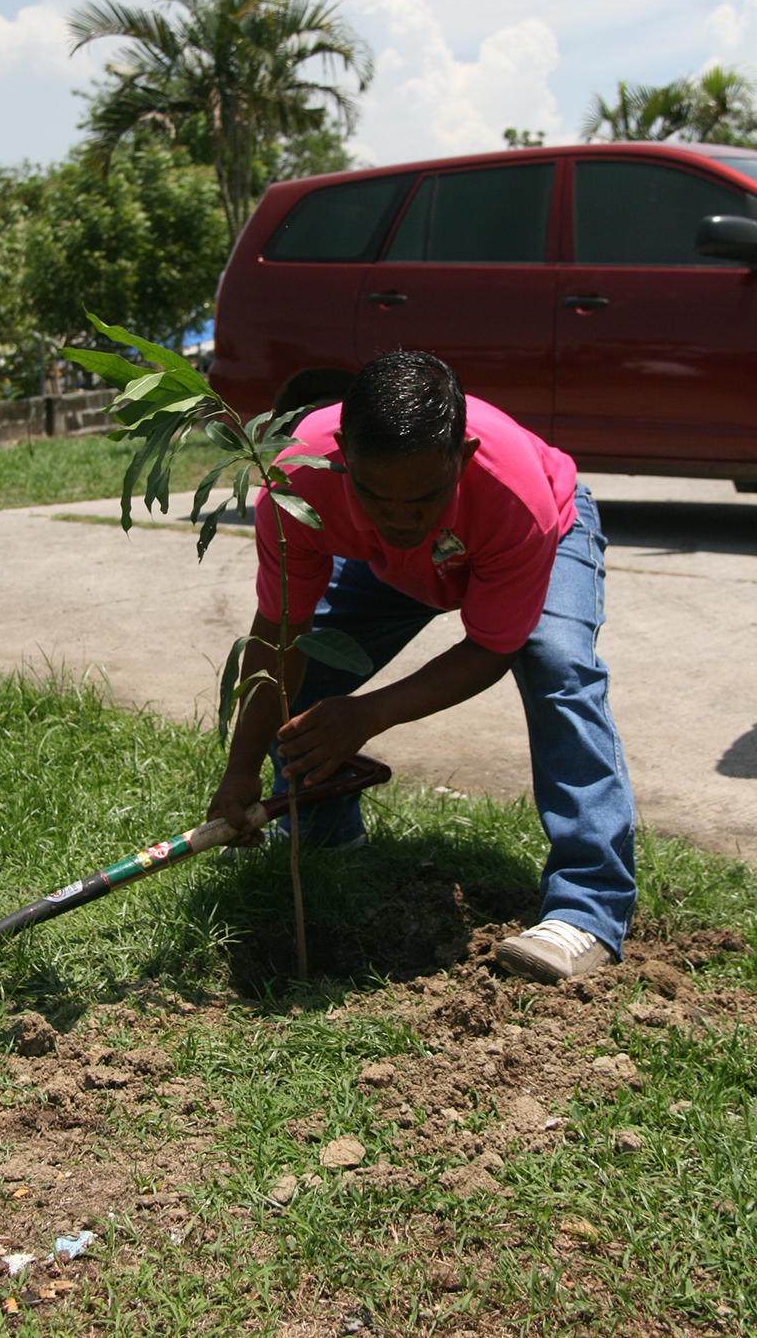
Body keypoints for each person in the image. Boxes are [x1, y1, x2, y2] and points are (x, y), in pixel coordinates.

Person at [207, 351, 637, 985]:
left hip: (541, 530)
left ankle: (589, 906)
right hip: (386, 567)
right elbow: (281, 636)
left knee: (557, 665)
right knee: (315, 668)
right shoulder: (295, 480)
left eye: (427, 497)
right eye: (376, 496)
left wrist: (368, 715)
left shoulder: (513, 493)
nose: (404, 518)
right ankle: (327, 837)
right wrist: (242, 768)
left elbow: (493, 646)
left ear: (460, 460)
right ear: (343, 463)